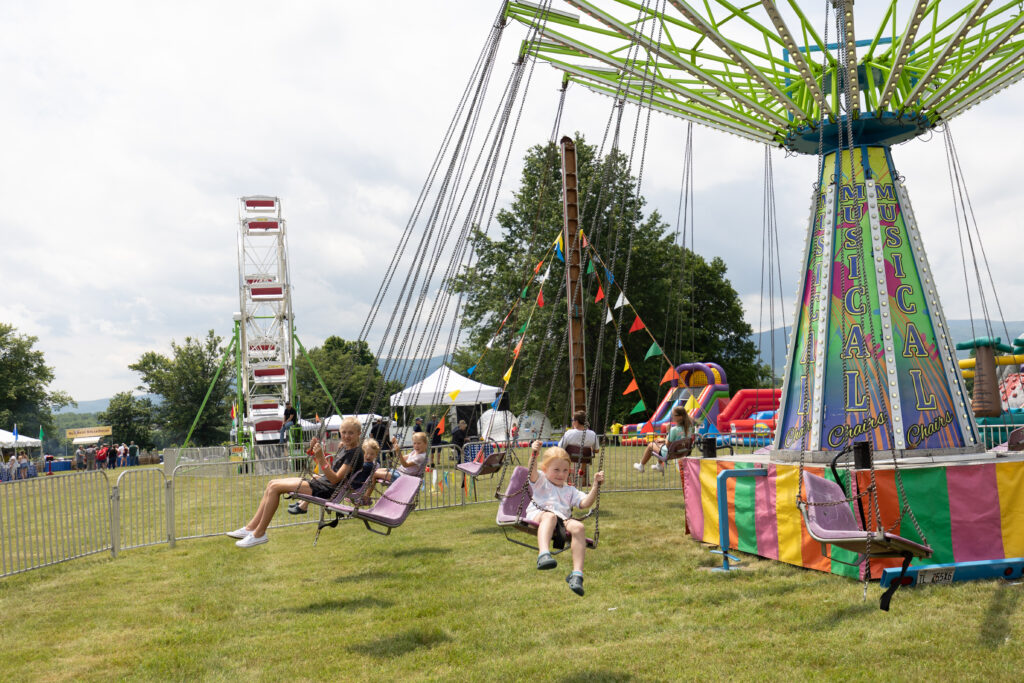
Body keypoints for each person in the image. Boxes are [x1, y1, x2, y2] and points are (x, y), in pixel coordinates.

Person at [229, 416, 363, 547]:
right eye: (344, 432)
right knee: (271, 483)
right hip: (322, 483)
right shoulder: (346, 449)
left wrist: (321, 458)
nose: (346, 436)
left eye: (351, 433)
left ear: (359, 433)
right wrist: (316, 452)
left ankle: (259, 533)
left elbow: (334, 479)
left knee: (275, 488)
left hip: (328, 490)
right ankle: (250, 528)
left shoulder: (355, 454)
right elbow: (331, 471)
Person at [526, 440, 603, 597]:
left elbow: (585, 503)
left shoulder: (570, 490)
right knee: (550, 516)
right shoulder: (540, 480)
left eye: (565, 470)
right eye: (556, 470)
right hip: (540, 514)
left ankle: (577, 574)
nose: (561, 474)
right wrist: (534, 454)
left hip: (561, 520)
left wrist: (595, 485)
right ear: (545, 469)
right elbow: (531, 471)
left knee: (579, 527)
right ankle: (543, 554)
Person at [288, 437, 381, 514]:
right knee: (316, 477)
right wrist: (343, 450)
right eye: (366, 453)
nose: (368, 456)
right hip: (348, 482)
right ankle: (301, 502)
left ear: (376, 455)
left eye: (372, 454)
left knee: (319, 484)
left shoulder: (368, 465)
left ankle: (303, 506)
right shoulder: (364, 463)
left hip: (350, 485)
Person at [634, 405, 694, 473]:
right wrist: (663, 440)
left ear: (680, 417)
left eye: (674, 415)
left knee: (651, 445)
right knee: (660, 443)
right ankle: (658, 465)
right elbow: (677, 440)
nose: (672, 417)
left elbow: (668, 445)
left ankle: (641, 465)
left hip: (670, 453)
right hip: (683, 452)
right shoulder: (689, 428)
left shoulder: (674, 430)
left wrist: (668, 431)